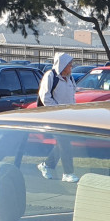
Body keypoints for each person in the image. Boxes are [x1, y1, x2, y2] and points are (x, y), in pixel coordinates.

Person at [37, 52, 78, 182]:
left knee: (62, 144)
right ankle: (68, 173)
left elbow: (72, 96)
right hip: (55, 117)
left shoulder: (70, 78)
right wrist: (58, 110)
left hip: (69, 117)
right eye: (69, 65)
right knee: (65, 144)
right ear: (63, 65)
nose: (71, 67)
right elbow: (45, 97)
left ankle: (46, 165)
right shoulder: (50, 76)